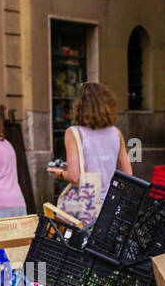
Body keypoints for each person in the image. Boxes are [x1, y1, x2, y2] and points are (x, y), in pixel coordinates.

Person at [47, 82, 132, 220]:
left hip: (85, 209)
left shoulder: (74, 133)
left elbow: (74, 176)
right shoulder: (117, 133)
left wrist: (61, 174)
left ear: (80, 106)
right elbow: (128, 175)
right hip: (110, 208)